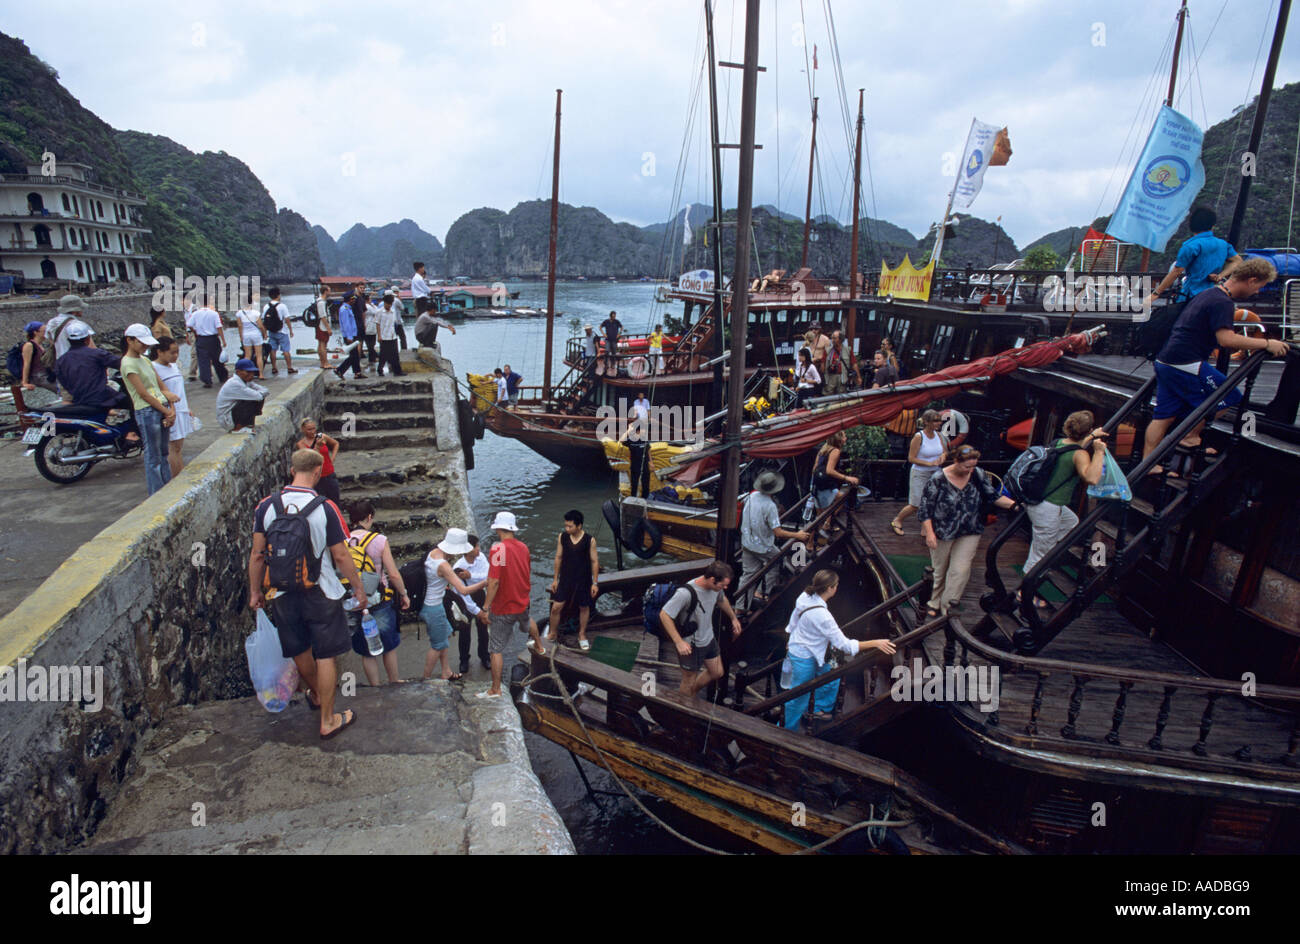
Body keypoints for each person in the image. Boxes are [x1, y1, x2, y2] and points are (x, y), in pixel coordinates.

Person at [249, 448, 367, 740]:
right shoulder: (325, 508)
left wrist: (255, 592)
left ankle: (316, 695)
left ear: (292, 470)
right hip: (321, 590)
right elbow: (340, 555)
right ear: (317, 473)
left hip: (282, 591)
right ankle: (328, 719)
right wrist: (358, 588)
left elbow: (257, 555)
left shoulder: (266, 506)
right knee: (326, 653)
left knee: (299, 648)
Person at [1143, 257, 1289, 474]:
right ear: (1251, 280)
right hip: (1186, 361)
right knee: (1229, 395)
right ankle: (1191, 435)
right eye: (1259, 286)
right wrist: (1267, 343)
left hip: (1167, 360)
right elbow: (1226, 340)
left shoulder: (1208, 294)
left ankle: (1148, 464)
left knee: (1164, 415)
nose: (1257, 292)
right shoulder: (1222, 302)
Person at [781, 569, 897, 730]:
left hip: (813, 649)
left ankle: (818, 709)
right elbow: (845, 646)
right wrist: (875, 643)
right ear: (830, 588)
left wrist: (790, 634)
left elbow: (795, 617)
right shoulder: (823, 616)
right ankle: (786, 729)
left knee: (831, 676)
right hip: (803, 656)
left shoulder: (805, 596)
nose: (837, 588)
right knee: (798, 697)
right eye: (836, 585)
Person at [1019, 411, 1109, 610]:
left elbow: (1078, 444)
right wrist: (1099, 451)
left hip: (1042, 502)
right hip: (1048, 507)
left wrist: (1091, 437)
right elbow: (1091, 478)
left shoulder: (1059, 443)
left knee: (1071, 523)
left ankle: (1045, 544)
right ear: (1087, 430)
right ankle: (1025, 594)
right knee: (1040, 554)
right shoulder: (1080, 454)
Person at [918, 445, 1017, 617]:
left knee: (961, 569)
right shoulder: (938, 479)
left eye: (973, 466)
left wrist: (1015, 506)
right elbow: (925, 508)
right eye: (966, 467)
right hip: (943, 530)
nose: (970, 470)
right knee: (939, 569)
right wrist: (930, 532)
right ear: (956, 461)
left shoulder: (978, 474)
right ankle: (933, 601)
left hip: (970, 528)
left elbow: (992, 496)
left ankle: (948, 606)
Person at [344, 499, 410, 687]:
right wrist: (403, 594)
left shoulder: (342, 540)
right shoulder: (379, 540)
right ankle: (394, 680)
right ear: (369, 517)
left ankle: (375, 685)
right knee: (388, 644)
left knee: (366, 649)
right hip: (379, 598)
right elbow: (393, 574)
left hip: (354, 599)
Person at [659, 560, 742, 698]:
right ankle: (683, 707)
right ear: (712, 579)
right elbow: (664, 615)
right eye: (723, 585)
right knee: (688, 679)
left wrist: (733, 618)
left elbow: (721, 600)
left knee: (717, 672)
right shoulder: (685, 593)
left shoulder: (717, 589)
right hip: (691, 644)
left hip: (708, 638)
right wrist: (679, 642)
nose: (725, 588)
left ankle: (691, 693)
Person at [482, 511, 541, 697]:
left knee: (495, 649)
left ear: (498, 528)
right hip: (522, 600)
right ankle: (540, 646)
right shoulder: (523, 547)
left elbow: (494, 581)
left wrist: (485, 607)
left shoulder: (498, 549)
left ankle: (495, 689)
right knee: (529, 621)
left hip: (503, 606)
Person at [421, 528, 487, 682]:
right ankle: (425, 680)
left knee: (444, 639)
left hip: (432, 603)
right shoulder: (444, 565)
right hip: (434, 607)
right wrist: (484, 582)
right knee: (437, 645)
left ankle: (446, 672)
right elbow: (463, 590)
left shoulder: (433, 552)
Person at [120, 323, 179, 495]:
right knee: (153, 456)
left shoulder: (144, 359)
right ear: (129, 341)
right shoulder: (128, 364)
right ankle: (157, 492)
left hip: (160, 407)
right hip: (147, 410)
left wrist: (170, 408)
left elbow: (161, 385)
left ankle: (166, 488)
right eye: (141, 343)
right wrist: (167, 411)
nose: (145, 346)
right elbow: (143, 394)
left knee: (163, 453)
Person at [1145, 206, 1242, 307]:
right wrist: (1220, 275)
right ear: (1212, 225)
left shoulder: (1191, 246)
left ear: (1192, 225)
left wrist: (1155, 294)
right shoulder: (1223, 244)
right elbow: (1237, 261)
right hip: (1213, 295)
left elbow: (1176, 271)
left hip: (1191, 295)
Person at [740, 470, 811, 608]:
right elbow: (778, 532)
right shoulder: (770, 506)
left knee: (747, 576)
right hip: (762, 545)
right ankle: (761, 592)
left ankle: (741, 607)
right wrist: (797, 535)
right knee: (777, 561)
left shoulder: (751, 496)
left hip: (747, 541)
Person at [546, 509, 599, 651]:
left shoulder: (590, 540)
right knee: (556, 607)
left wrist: (595, 583)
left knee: (584, 607)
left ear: (579, 526)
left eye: (570, 526)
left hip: (583, 580)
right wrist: (555, 579)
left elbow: (594, 561)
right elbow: (558, 557)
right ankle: (552, 633)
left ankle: (582, 634)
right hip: (566, 579)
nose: (567, 529)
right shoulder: (562, 537)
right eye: (566, 526)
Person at [890, 409, 946, 536]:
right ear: (927, 422)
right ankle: (897, 520)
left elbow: (943, 451)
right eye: (936, 421)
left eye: (939, 421)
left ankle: (924, 528)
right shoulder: (918, 437)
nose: (939, 423)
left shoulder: (939, 435)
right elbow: (911, 458)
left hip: (935, 474)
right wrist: (929, 463)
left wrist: (942, 457)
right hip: (920, 473)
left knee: (932, 501)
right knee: (916, 504)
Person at [151, 336, 194, 478]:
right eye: (172, 353)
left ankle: (179, 474)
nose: (175, 356)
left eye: (177, 352)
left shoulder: (174, 366)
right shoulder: (154, 368)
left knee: (178, 447)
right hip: (170, 411)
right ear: (160, 352)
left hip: (181, 410)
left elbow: (179, 390)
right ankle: (178, 477)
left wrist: (187, 409)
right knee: (173, 448)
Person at [449, 535, 491, 675]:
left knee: (483, 629)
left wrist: (471, 576)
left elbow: (488, 576)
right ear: (467, 550)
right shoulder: (458, 567)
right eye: (476, 546)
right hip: (465, 598)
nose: (479, 549)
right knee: (465, 630)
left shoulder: (481, 558)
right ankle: (464, 660)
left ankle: (484, 656)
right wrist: (478, 611)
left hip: (479, 594)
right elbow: (462, 595)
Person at [15, 321, 60, 410]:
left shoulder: (41, 345)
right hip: (38, 377)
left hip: (46, 374)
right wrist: (24, 382)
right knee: (61, 390)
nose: (46, 333)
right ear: (36, 332)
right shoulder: (29, 345)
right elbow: (26, 364)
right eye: (44, 331)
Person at [216, 358, 268, 432]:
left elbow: (265, 390)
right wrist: (260, 394)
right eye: (248, 372)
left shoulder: (246, 381)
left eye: (252, 372)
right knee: (250, 400)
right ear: (238, 372)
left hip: (231, 414)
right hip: (226, 418)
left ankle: (248, 424)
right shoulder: (235, 383)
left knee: (254, 397)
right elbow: (259, 396)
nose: (251, 375)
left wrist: (260, 394)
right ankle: (237, 428)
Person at [296, 419, 342, 504]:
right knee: (320, 503)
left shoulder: (322, 437)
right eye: (309, 429)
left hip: (329, 473)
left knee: (335, 502)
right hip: (316, 477)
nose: (312, 431)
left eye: (314, 428)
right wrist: (317, 447)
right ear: (303, 430)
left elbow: (335, 444)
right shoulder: (301, 444)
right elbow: (310, 458)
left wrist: (332, 458)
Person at [812, 431, 859, 509]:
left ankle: (826, 520)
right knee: (842, 499)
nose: (846, 438)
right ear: (839, 439)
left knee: (822, 509)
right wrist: (847, 478)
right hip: (827, 484)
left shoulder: (823, 449)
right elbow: (829, 470)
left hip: (818, 484)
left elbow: (815, 468)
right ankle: (828, 520)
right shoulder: (835, 451)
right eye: (844, 437)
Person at [190, 294, 229, 388]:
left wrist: (195, 331)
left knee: (203, 360)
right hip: (213, 338)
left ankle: (207, 380)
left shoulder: (195, 313)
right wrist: (223, 340)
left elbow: (189, 324)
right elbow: (219, 327)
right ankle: (223, 376)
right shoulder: (214, 313)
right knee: (217, 359)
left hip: (201, 338)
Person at [46, 295, 92, 364]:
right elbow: (90, 345)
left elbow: (51, 341)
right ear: (75, 310)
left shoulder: (51, 323)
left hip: (60, 362)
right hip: (77, 362)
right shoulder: (78, 325)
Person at [263, 287, 296, 376]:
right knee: (286, 350)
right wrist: (291, 330)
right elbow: (287, 319)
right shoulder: (282, 306)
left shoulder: (266, 306)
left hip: (271, 332)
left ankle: (274, 368)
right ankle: (289, 367)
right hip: (282, 331)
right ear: (278, 295)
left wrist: (265, 333)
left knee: (273, 350)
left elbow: (265, 321)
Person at [334, 293, 366, 379]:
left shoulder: (348, 308)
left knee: (355, 355)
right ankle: (339, 370)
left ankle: (357, 373)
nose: (354, 301)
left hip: (353, 334)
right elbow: (346, 324)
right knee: (353, 356)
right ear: (350, 299)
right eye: (353, 299)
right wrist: (349, 337)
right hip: (350, 336)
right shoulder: (344, 309)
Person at [622, 413, 652, 498]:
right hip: (635, 466)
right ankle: (633, 498)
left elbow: (648, 450)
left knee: (646, 484)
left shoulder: (644, 439)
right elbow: (620, 441)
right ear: (638, 431)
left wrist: (651, 462)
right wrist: (628, 430)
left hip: (645, 465)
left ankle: (645, 499)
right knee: (634, 484)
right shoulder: (631, 440)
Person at [235, 296, 266, 374]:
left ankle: (246, 373)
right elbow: (260, 326)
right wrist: (264, 334)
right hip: (256, 335)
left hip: (246, 335)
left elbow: (240, 326)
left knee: (247, 355)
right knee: (259, 355)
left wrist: (241, 337)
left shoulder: (239, 313)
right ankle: (261, 374)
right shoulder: (256, 313)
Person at [376, 293, 403, 377]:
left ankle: (397, 371)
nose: (389, 306)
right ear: (384, 303)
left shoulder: (393, 311)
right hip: (384, 336)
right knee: (383, 355)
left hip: (392, 335)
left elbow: (394, 323)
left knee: (395, 355)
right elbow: (377, 324)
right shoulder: (379, 312)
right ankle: (380, 369)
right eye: (388, 304)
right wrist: (379, 335)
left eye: (390, 304)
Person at [823, 328, 856, 395]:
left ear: (840, 339)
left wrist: (858, 377)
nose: (832, 340)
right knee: (827, 394)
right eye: (832, 338)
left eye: (834, 338)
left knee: (842, 395)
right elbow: (822, 365)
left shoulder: (848, 350)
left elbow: (854, 364)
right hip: (830, 376)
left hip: (842, 376)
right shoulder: (827, 350)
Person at [314, 285, 333, 370]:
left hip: (321, 325)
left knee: (321, 343)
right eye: (329, 291)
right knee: (323, 344)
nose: (330, 292)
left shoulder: (321, 301)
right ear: (325, 291)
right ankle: (325, 363)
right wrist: (328, 328)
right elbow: (323, 316)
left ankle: (323, 362)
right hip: (322, 326)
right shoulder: (321, 302)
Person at [362, 295, 381, 368]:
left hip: (371, 327)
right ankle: (374, 356)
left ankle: (372, 358)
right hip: (369, 326)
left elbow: (377, 310)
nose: (371, 300)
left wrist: (372, 304)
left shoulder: (370, 305)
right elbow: (376, 311)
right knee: (370, 344)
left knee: (371, 344)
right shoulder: (367, 306)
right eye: (370, 299)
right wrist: (372, 305)